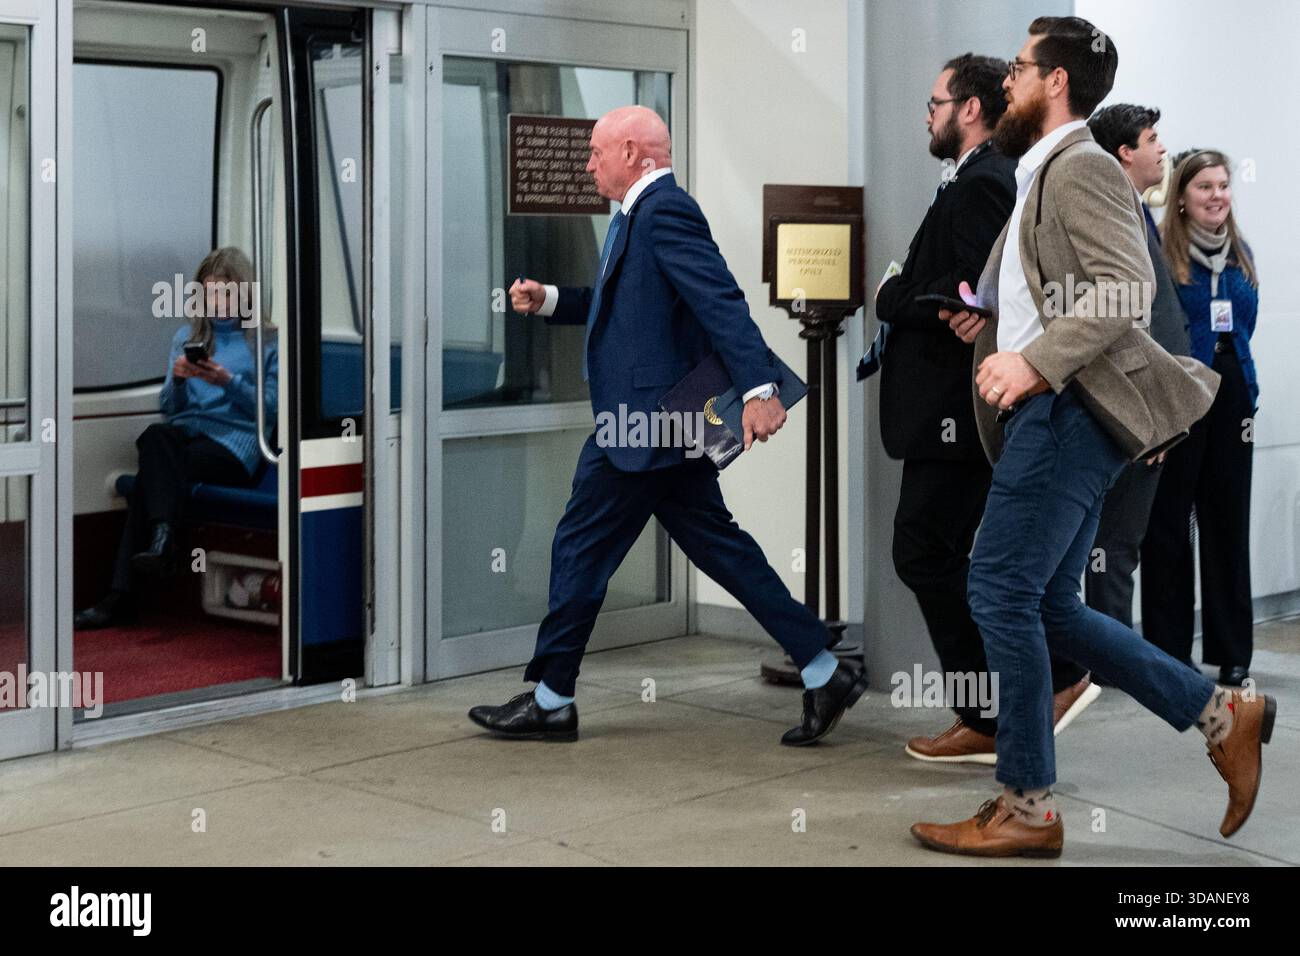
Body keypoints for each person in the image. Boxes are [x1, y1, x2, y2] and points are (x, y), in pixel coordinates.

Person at [911, 17, 1275, 858]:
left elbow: (1125, 289)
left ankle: (1029, 804)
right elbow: (1056, 287)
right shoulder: (1040, 170)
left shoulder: (1077, 167)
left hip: (1069, 411)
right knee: (1047, 605)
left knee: (999, 590)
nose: (1007, 80)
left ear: (1057, 83)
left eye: (1021, 68)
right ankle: (1221, 713)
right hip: (1057, 410)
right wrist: (992, 321)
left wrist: (1033, 362)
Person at [467, 106, 865, 744]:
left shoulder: (663, 212)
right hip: (662, 424)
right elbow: (626, 309)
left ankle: (551, 699)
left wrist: (761, 390)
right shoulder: (637, 215)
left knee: (579, 547)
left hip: (643, 428)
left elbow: (719, 299)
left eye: (597, 152)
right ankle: (822, 668)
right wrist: (551, 300)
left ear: (632, 152)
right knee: (721, 548)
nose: (589, 163)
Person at [873, 54, 1097, 766]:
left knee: (928, 552)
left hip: (960, 410)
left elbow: (970, 291)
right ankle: (996, 708)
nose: (928, 115)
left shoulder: (985, 184)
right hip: (962, 406)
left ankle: (1013, 701)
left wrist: (894, 296)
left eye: (936, 102)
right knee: (957, 559)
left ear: (968, 108)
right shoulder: (978, 180)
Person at [75, 247, 278, 629]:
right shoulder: (187, 336)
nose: (217, 303)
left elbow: (272, 408)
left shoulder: (267, 342)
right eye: (210, 294)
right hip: (188, 436)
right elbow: (170, 405)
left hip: (237, 445)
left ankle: (122, 593)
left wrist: (228, 383)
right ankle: (162, 538)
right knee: (155, 436)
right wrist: (182, 380)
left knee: (150, 479)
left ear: (246, 294)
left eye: (226, 293)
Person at [1140, 149, 1260, 686]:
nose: (1217, 196)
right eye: (1205, 187)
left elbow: (1247, 321)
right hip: (1179, 396)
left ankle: (1232, 651)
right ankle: (1167, 648)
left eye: (1223, 186)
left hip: (1232, 393)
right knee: (1169, 522)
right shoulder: (1164, 253)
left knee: (1226, 521)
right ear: (1182, 197)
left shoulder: (1240, 254)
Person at [1082, 105, 1190, 642]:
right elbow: (1132, 326)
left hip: (1141, 410)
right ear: (1125, 151)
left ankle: (1109, 656)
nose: (1162, 149)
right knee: (1111, 544)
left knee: (1116, 544)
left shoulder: (1135, 209)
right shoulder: (1116, 214)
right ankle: (1109, 659)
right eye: (1152, 139)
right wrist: (1154, 416)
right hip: (1130, 410)